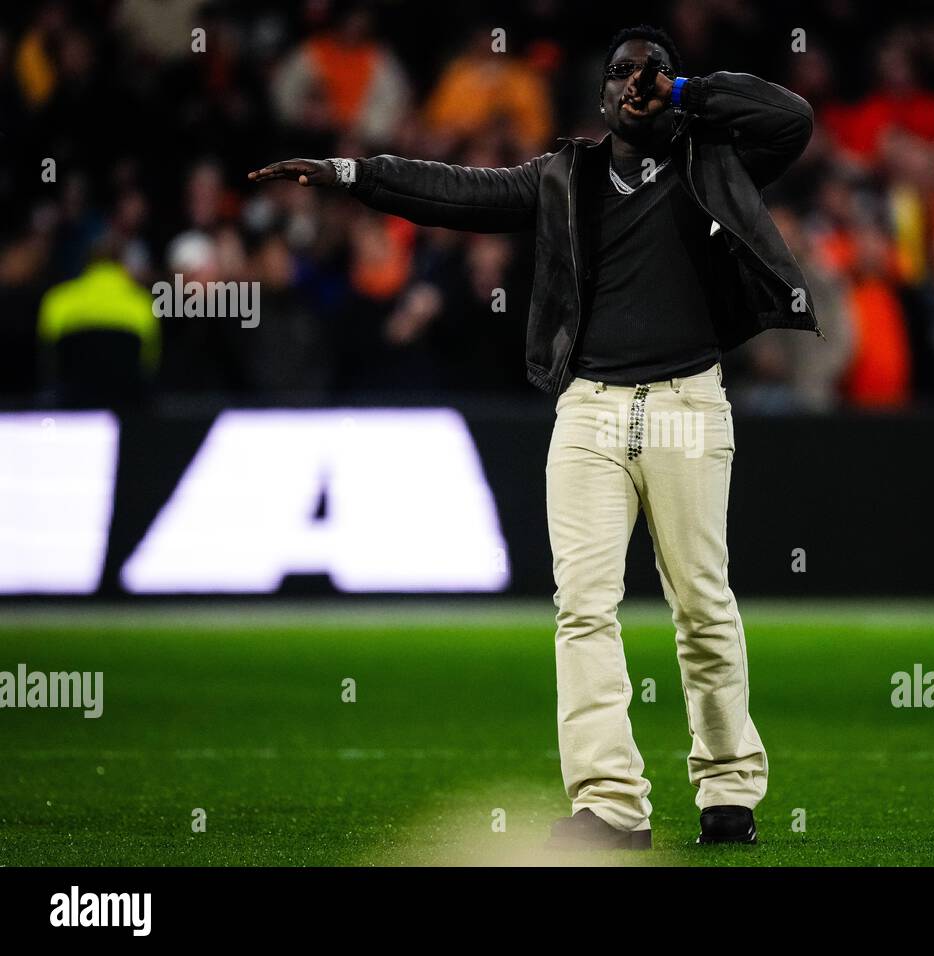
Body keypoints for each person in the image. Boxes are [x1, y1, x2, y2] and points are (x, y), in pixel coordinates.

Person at [249, 24, 822, 850]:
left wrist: (689, 92)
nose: (637, 82)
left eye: (652, 70)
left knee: (702, 605)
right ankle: (612, 805)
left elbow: (790, 119)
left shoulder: (713, 157)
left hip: (687, 403)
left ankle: (728, 790)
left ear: (672, 82)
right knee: (583, 610)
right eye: (621, 71)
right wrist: (352, 172)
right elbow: (460, 192)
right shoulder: (565, 176)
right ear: (598, 97)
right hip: (588, 409)